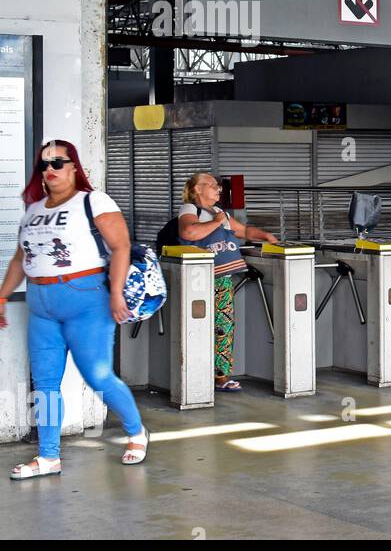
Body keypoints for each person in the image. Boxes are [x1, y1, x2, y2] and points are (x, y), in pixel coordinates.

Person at [1, 140, 149, 478]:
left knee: (98, 376)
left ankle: (136, 432)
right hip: (42, 306)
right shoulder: (35, 209)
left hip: (86, 300)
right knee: (46, 383)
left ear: (73, 166)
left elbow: (121, 245)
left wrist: (116, 293)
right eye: (44, 165)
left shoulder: (93, 201)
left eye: (58, 162)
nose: (50, 170)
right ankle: (48, 456)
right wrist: (3, 296)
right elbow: (21, 259)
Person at [177, 172, 279, 392]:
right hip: (200, 277)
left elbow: (242, 231)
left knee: (223, 327)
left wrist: (265, 235)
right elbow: (189, 231)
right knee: (200, 325)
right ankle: (198, 374)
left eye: (219, 187)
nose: (218, 190)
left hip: (222, 277)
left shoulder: (220, 212)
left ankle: (221, 376)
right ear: (197, 189)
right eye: (213, 186)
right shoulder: (190, 209)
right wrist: (216, 222)